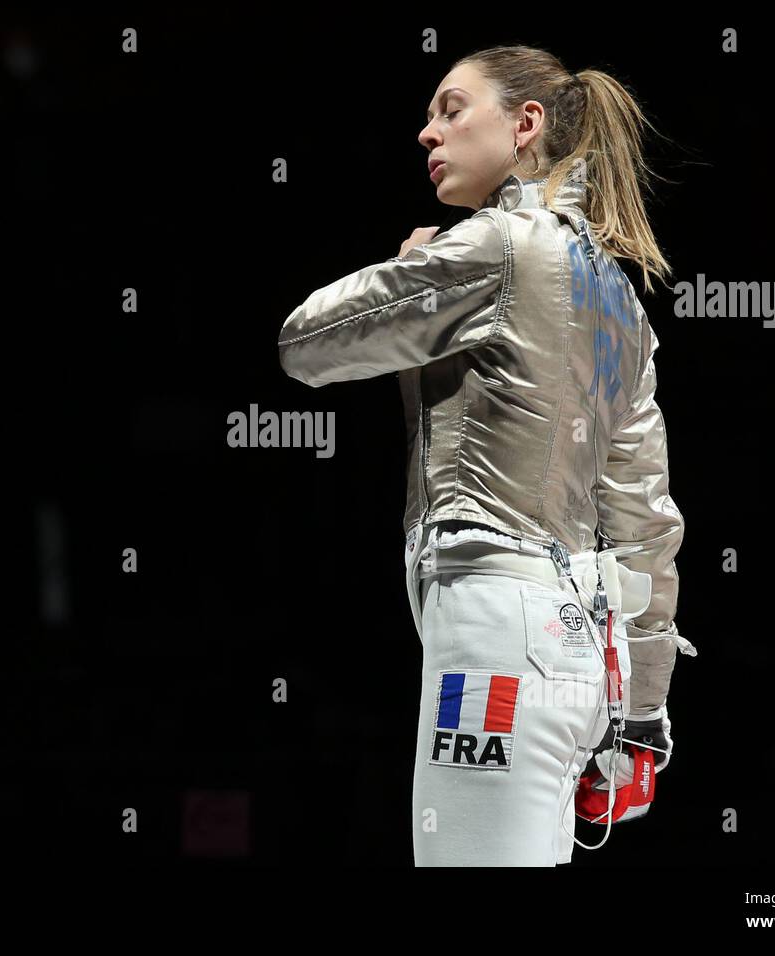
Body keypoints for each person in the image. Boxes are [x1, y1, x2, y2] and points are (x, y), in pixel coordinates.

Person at [277, 45, 696, 865]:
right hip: (580, 657)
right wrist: (642, 717)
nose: (427, 132)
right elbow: (646, 523)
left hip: (496, 637)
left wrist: (411, 273)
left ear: (525, 124)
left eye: (452, 108)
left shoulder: (497, 247)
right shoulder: (618, 302)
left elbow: (306, 342)